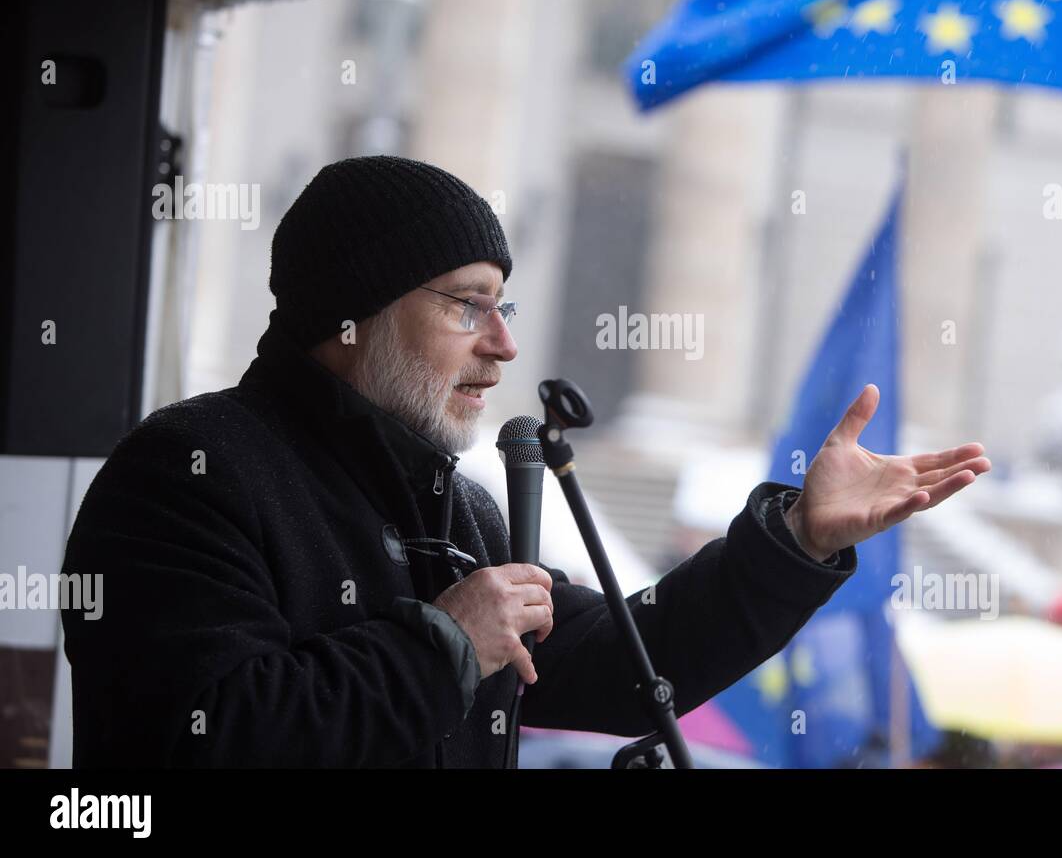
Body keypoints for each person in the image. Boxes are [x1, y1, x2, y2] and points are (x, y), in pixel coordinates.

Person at [60, 155, 991, 767]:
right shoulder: (186, 476)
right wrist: (443, 642)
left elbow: (637, 667)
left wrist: (796, 540)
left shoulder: (461, 515)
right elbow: (209, 736)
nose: (504, 345)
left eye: (505, 305)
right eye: (467, 305)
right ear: (355, 313)